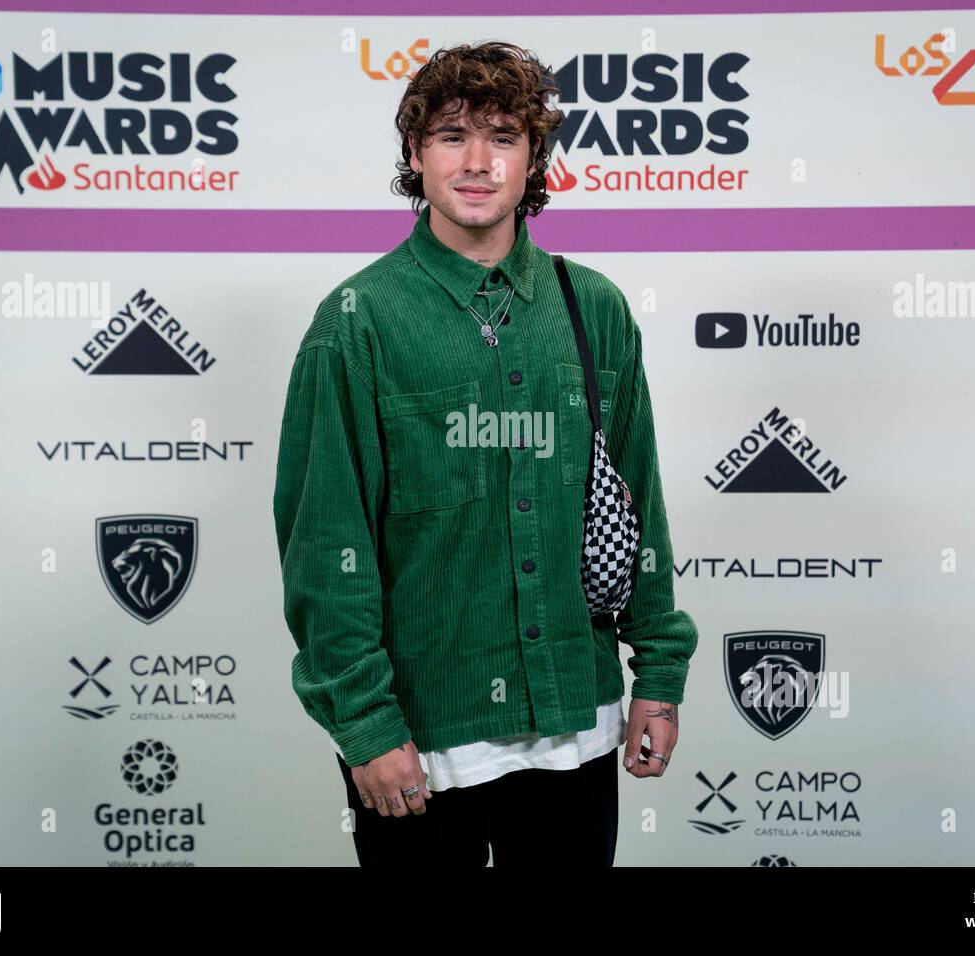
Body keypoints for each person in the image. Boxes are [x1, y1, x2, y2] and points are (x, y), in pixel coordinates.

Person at [272, 41, 698, 867]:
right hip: (424, 741)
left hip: (575, 724)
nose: (476, 160)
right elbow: (327, 546)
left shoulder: (595, 308)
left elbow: (638, 504)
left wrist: (660, 674)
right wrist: (364, 726)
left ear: (534, 157)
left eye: (502, 135)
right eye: (449, 135)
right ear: (413, 154)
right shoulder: (356, 321)